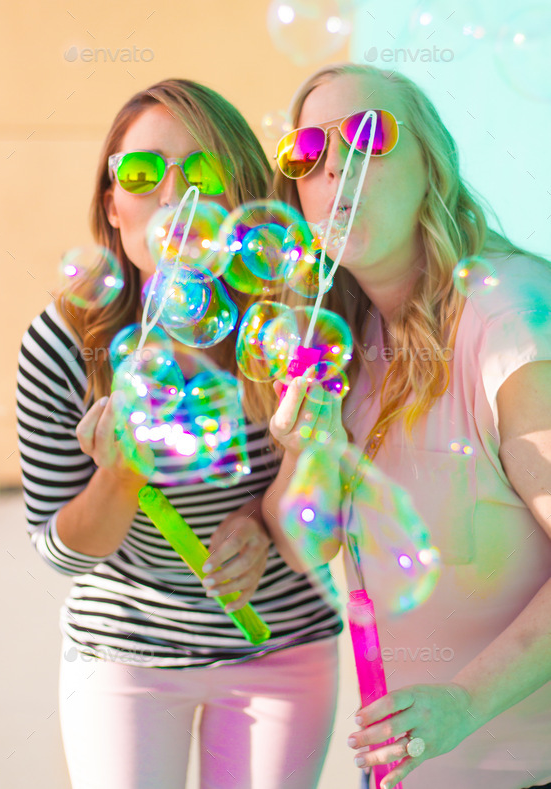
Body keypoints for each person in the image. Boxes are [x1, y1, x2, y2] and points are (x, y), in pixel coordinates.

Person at [16, 78, 343, 789]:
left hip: (281, 648)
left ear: (241, 199)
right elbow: (60, 553)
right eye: (141, 173)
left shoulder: (291, 328)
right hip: (124, 653)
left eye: (203, 171)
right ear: (112, 202)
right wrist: (122, 476)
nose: (173, 196)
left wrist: (264, 518)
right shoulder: (64, 345)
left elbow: (321, 525)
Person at [263, 62, 551, 789]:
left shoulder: (507, 324)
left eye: (367, 135)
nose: (336, 167)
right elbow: (310, 546)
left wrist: (464, 701)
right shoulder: (343, 344)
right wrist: (315, 452)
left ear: (433, 164)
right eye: (307, 152)